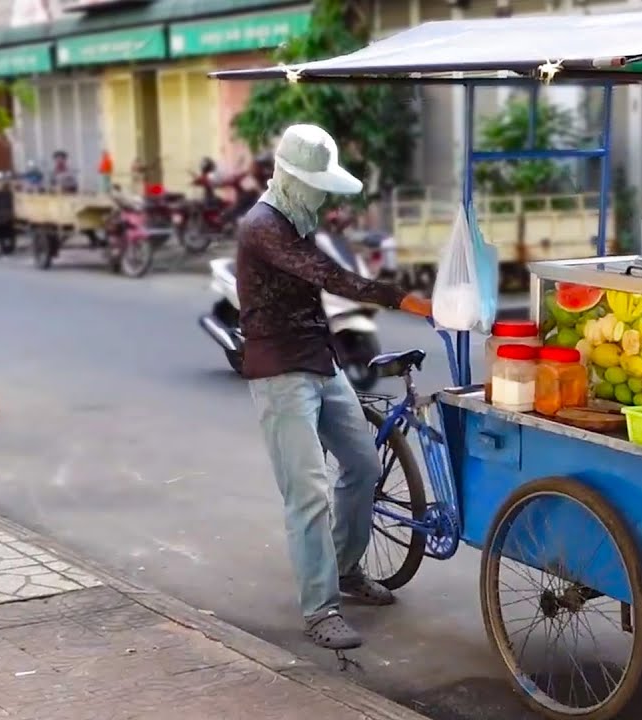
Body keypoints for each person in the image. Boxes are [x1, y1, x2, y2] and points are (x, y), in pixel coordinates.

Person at [234, 124, 432, 651]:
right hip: (279, 371)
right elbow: (327, 275)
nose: (322, 195)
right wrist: (400, 299)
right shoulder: (263, 226)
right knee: (307, 494)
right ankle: (320, 608)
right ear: (291, 179)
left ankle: (345, 570)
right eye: (316, 184)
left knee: (364, 466)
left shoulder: (299, 222)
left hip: (321, 361)